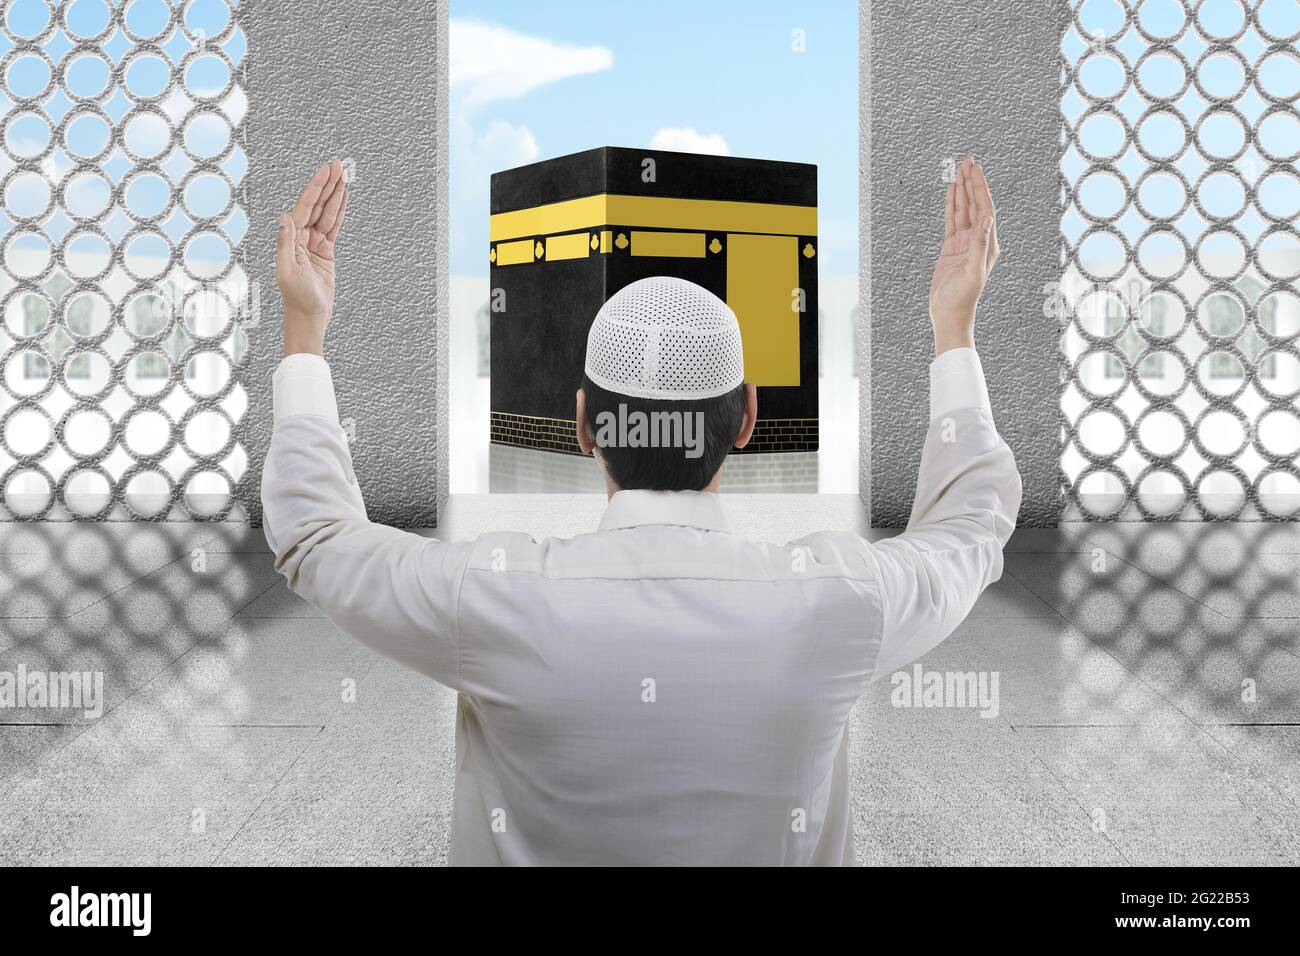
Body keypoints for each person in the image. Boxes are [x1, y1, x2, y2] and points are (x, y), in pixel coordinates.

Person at [262, 155, 1021, 865]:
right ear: (748, 418)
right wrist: (954, 328)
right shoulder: (840, 599)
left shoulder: (493, 595)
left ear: (587, 423)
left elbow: (316, 536)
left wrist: (305, 327)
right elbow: (971, 527)